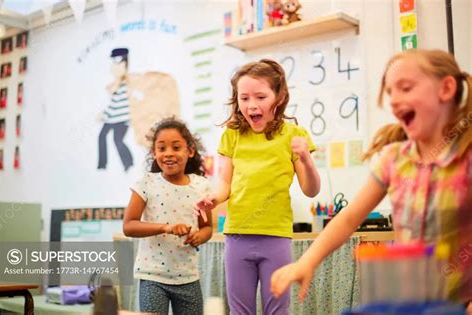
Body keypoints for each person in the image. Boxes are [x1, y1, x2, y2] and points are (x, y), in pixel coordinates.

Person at [270, 49, 472, 313]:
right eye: (390, 92)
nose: (395, 100)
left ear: (446, 88)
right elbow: (348, 218)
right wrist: (306, 262)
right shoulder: (394, 159)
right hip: (410, 302)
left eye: (406, 88)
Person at [194, 59, 321, 314]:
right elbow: (225, 183)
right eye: (244, 98)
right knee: (241, 311)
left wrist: (306, 159)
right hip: (237, 235)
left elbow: (311, 190)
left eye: (261, 97)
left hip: (276, 236)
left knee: (277, 310)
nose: (251, 105)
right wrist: (213, 198)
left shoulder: (294, 135)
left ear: (279, 96)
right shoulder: (232, 135)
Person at [123, 117, 212, 315]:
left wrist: (200, 236)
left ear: (189, 151)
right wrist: (166, 227)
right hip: (152, 277)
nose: (168, 153)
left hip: (188, 277)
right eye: (162, 148)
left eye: (176, 147)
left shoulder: (201, 186)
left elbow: (207, 228)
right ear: (154, 153)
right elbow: (129, 225)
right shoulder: (146, 183)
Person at [97, 48, 133, 171]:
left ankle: (128, 163)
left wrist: (104, 115)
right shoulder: (116, 84)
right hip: (112, 118)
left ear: (123, 64)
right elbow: (113, 103)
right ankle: (102, 165)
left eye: (115, 63)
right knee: (102, 136)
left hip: (121, 119)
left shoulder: (125, 84)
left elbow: (116, 105)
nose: (113, 66)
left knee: (117, 140)